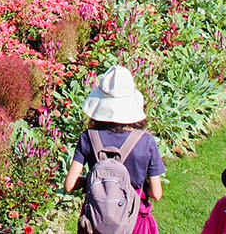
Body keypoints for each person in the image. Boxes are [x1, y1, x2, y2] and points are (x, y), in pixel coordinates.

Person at [64, 64, 165, 234]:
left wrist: (94, 182)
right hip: (133, 220)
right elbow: (156, 193)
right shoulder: (145, 141)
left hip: (96, 221)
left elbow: (69, 185)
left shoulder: (89, 137)